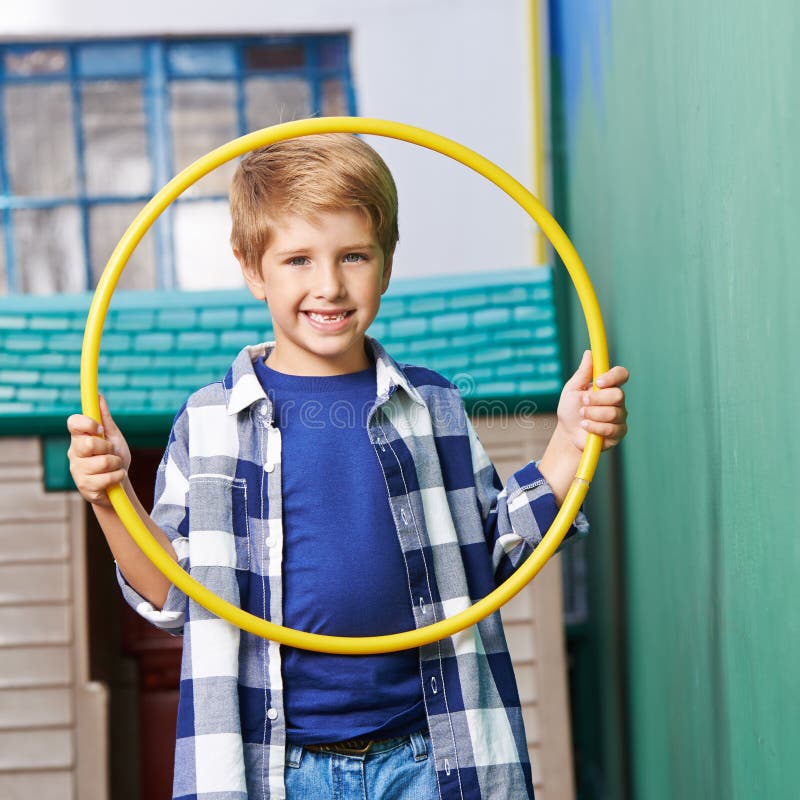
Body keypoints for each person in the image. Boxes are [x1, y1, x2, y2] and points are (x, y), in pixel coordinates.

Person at [67, 134, 629, 800]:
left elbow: (493, 552)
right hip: (277, 769)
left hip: (430, 755)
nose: (328, 285)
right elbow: (169, 595)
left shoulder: (432, 406)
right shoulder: (212, 422)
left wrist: (568, 441)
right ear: (253, 269)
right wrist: (109, 498)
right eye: (298, 259)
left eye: (353, 256)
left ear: (386, 264)